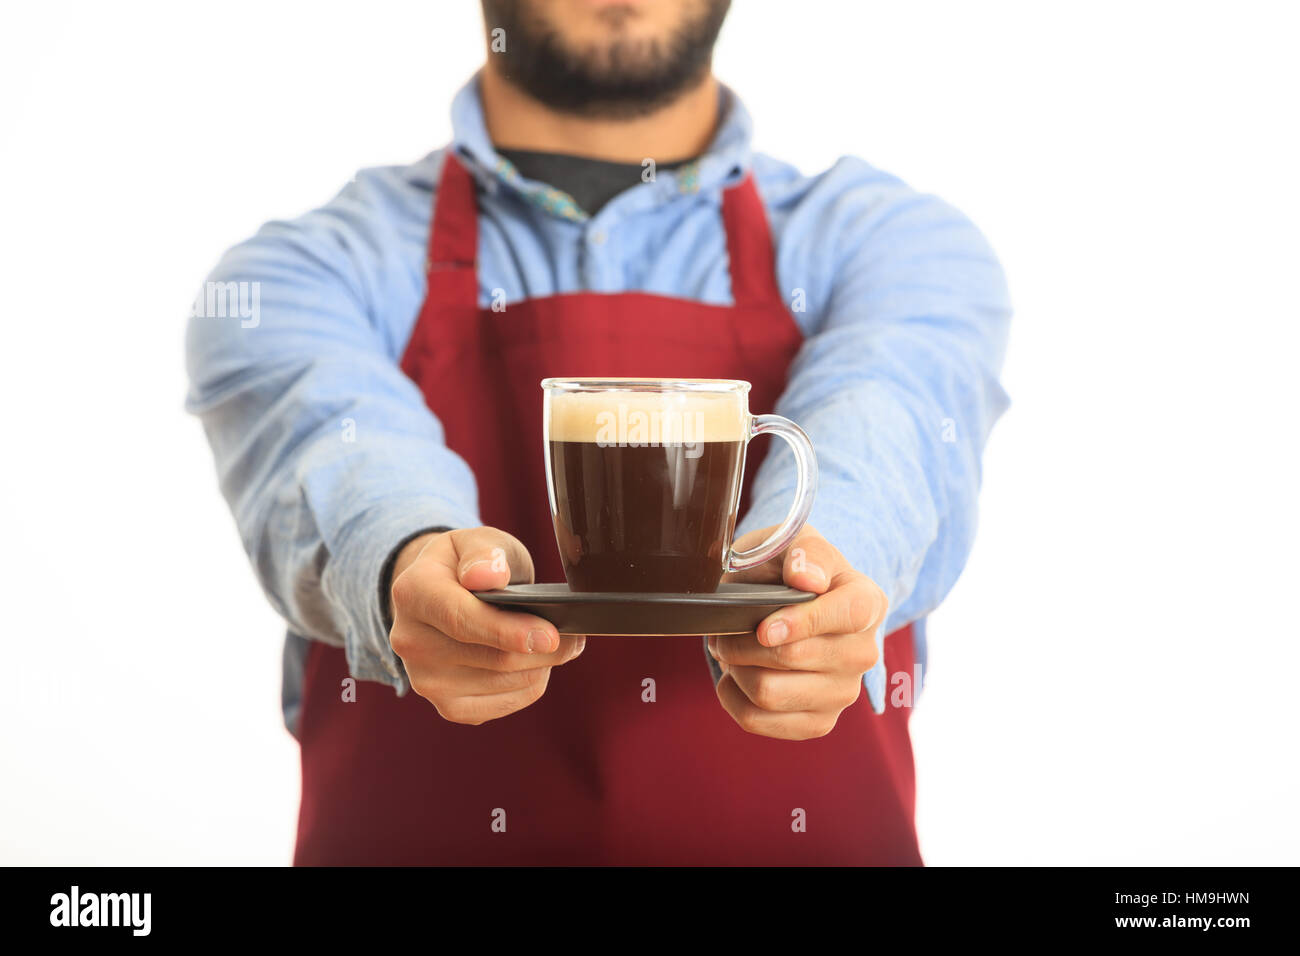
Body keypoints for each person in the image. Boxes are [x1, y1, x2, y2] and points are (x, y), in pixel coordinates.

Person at [186, 0, 1010, 866]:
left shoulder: (897, 246)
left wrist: (803, 576)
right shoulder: (296, 275)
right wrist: (407, 563)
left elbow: (890, 426)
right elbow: (338, 447)